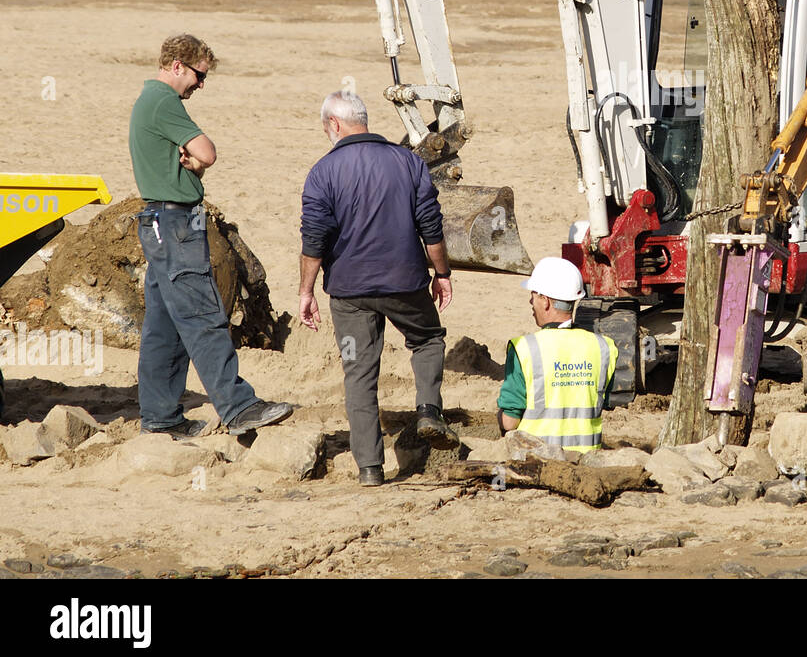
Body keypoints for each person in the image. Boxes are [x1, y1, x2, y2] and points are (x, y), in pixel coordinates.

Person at [129, 34, 293, 440]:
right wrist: (200, 161)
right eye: (199, 75)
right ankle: (238, 407)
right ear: (177, 66)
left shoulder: (150, 102)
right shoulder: (163, 101)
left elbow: (193, 160)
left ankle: (162, 417)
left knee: (164, 327)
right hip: (177, 224)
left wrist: (193, 166)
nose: (201, 84)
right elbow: (208, 151)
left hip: (158, 222)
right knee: (203, 314)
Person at [298, 91, 458, 487]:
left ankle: (370, 468)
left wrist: (306, 291)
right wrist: (442, 273)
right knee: (427, 338)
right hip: (405, 282)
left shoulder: (322, 172)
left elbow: (313, 239)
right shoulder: (407, 162)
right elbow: (431, 226)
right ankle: (427, 409)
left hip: (349, 292)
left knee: (358, 373)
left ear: (334, 125)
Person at [496, 256, 616, 454]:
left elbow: (510, 422)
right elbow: (604, 401)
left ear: (546, 301)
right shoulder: (603, 347)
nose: (530, 300)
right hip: (587, 463)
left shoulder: (524, 348)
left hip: (536, 462)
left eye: (533, 294)